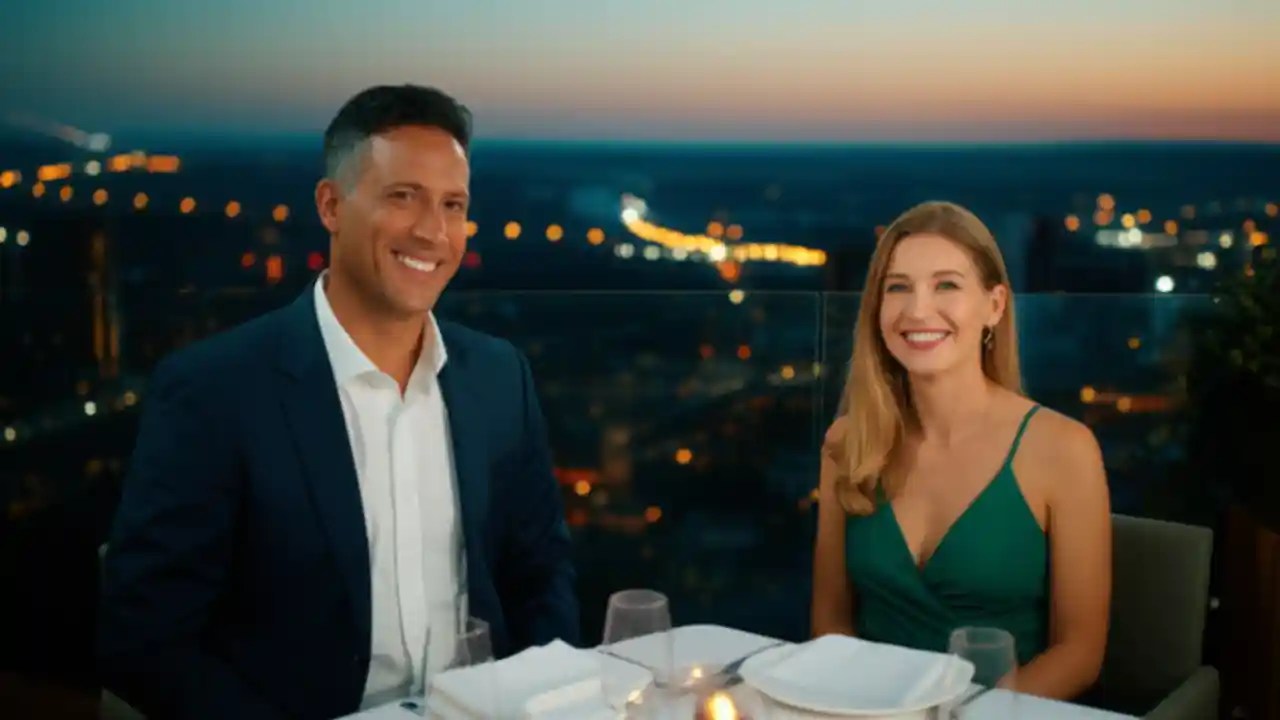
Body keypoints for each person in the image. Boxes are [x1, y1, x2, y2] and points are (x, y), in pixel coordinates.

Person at [98, 84, 580, 719]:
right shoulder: (214, 391)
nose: (433, 231)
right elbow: (146, 639)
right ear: (331, 205)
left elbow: (541, 571)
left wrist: (535, 699)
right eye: (402, 197)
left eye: (452, 204)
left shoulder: (498, 375)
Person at [810, 201, 1111, 701]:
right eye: (898, 287)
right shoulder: (846, 442)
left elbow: (1079, 654)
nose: (917, 311)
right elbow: (830, 621)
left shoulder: (1064, 449)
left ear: (994, 306)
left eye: (946, 285)